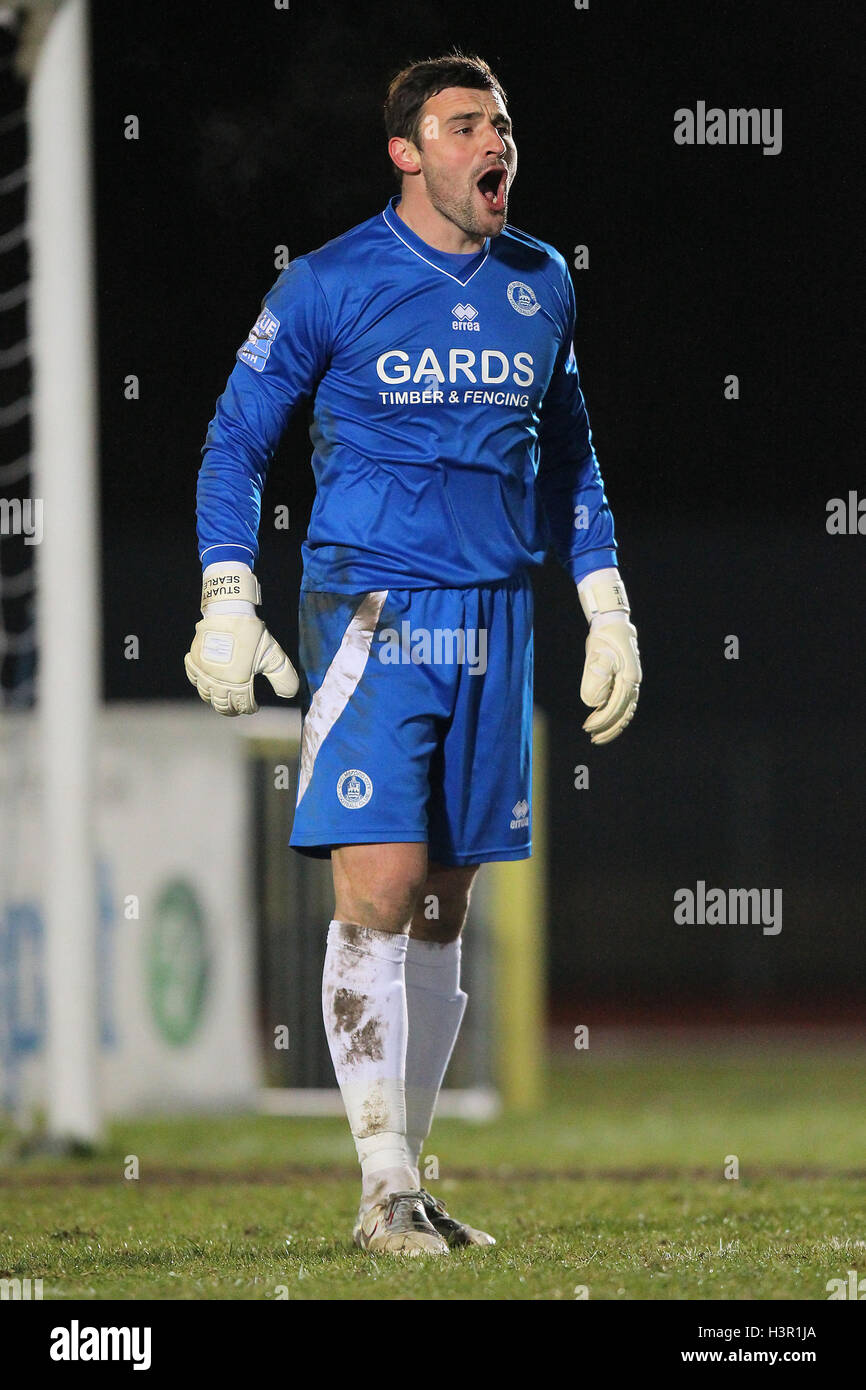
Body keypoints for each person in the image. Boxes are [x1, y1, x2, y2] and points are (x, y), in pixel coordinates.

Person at [185, 52, 642, 1257]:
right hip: (375, 613)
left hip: (496, 617)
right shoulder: (330, 282)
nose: (492, 143)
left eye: (501, 125)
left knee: (443, 910)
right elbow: (234, 442)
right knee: (378, 888)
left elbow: (569, 457)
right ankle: (380, 1185)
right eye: (462, 125)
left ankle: (408, 1182)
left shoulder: (541, 282)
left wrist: (606, 605)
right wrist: (226, 596)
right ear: (405, 151)